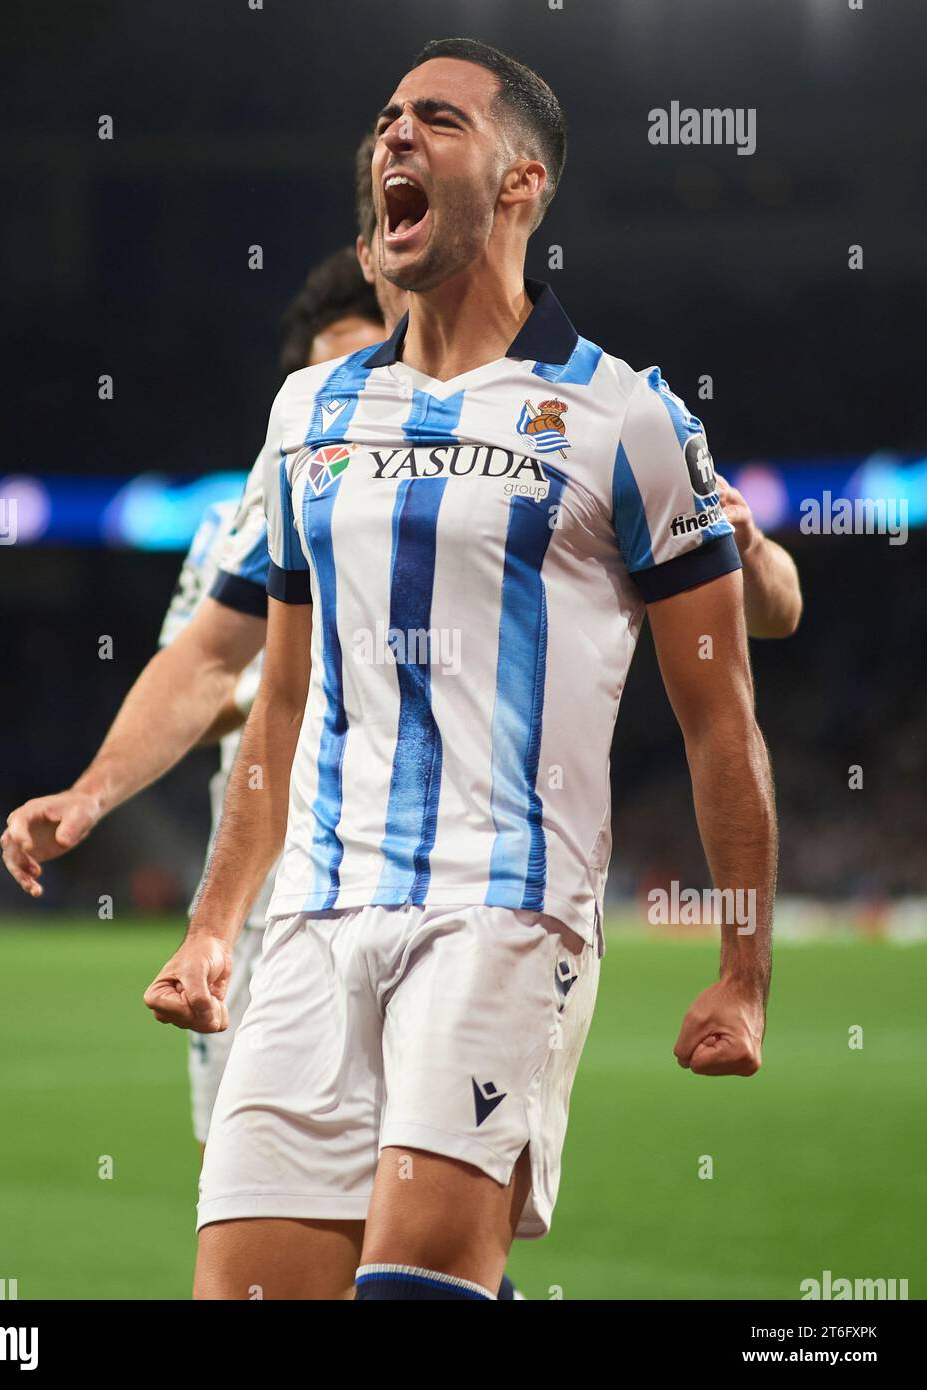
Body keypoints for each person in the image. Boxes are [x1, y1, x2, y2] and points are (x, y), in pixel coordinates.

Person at [144, 37, 778, 1302]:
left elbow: (719, 723)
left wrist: (743, 971)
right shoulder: (309, 414)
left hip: (503, 911)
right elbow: (278, 700)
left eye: (435, 119)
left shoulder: (623, 419)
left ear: (518, 185)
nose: (392, 136)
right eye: (384, 117)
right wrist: (217, 926)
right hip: (316, 925)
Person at [1, 238, 393, 1152]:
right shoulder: (242, 518)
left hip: (414, 883)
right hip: (264, 897)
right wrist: (94, 791)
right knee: (252, 1195)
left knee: (424, 1208)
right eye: (323, 367)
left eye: (361, 358)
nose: (343, 386)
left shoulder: (463, 474)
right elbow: (204, 667)